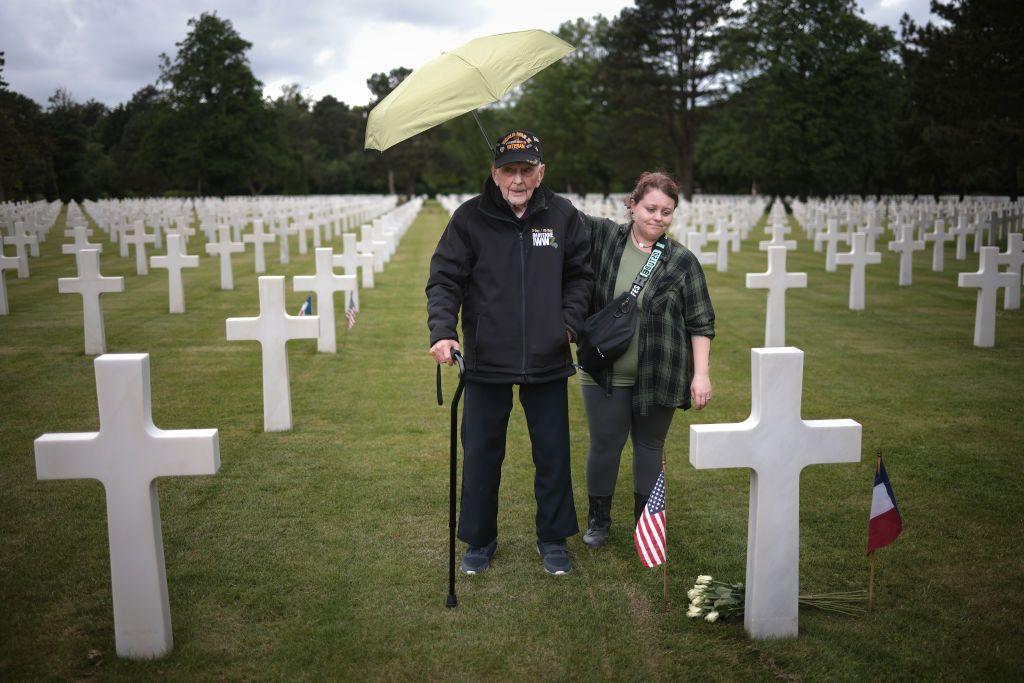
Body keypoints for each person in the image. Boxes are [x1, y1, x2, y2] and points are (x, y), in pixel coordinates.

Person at [426, 130, 593, 575]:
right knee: (481, 453)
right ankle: (480, 539)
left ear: (541, 172)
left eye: (526, 169)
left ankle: (553, 538)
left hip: (547, 356)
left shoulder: (561, 216)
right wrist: (443, 331)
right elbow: (444, 279)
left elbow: (581, 275)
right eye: (508, 170)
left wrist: (568, 324)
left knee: (553, 453)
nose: (517, 179)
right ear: (493, 173)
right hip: (485, 358)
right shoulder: (469, 218)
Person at [577, 171, 715, 548]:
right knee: (605, 445)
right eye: (651, 208)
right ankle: (598, 521)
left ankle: (646, 523)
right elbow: (563, 215)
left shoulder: (682, 262)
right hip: (604, 370)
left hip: (659, 373)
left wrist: (701, 374)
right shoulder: (605, 238)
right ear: (632, 205)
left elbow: (700, 322)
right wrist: (532, 178)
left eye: (666, 212)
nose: (657, 217)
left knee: (650, 447)